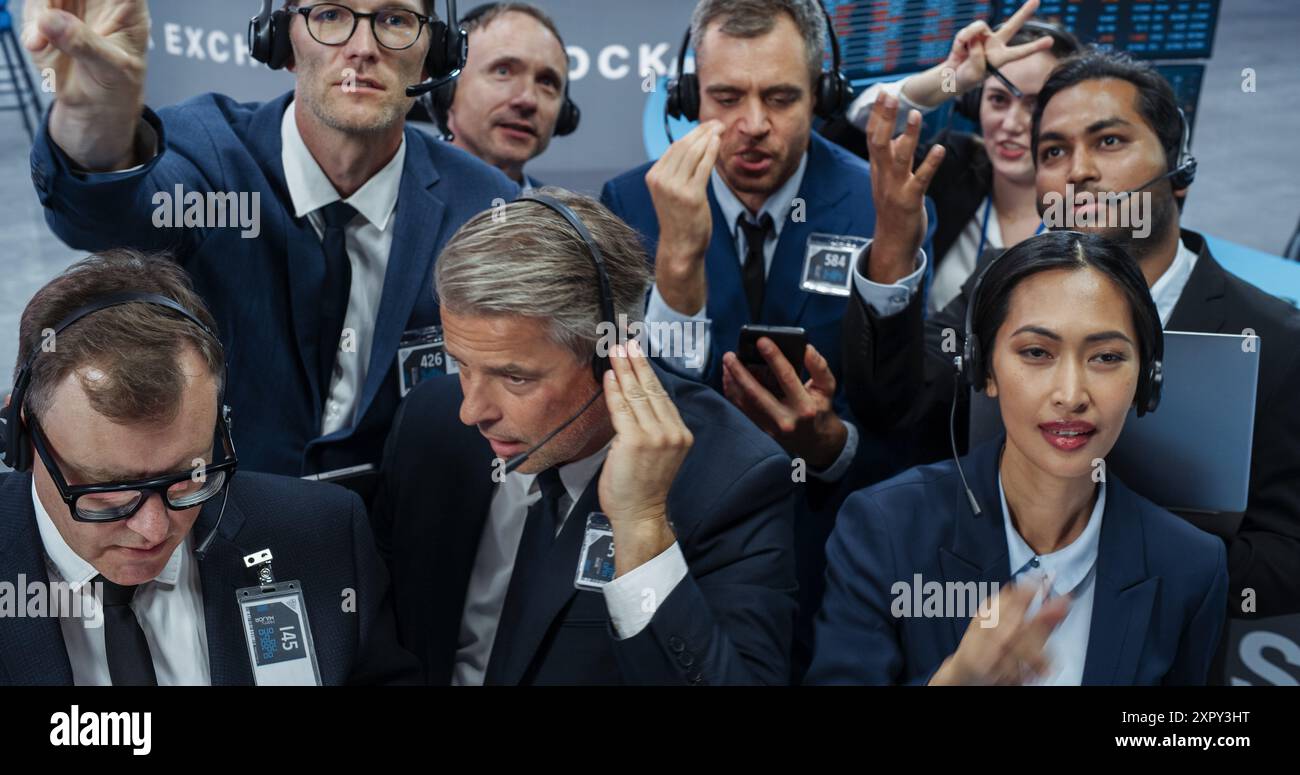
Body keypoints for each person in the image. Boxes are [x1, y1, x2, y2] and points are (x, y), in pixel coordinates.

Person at [843, 49, 1300, 622]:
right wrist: (893, 246)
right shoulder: (997, 287)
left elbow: (1287, 554)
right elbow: (899, 402)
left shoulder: (1277, 340)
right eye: (1054, 152)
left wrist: (1116, 566)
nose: (1077, 170)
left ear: (1179, 173)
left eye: (1108, 141)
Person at [23, 0, 518, 481]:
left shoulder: (481, 202)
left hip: (397, 531)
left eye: (395, 19)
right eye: (330, 14)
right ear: (280, 41)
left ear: (437, 50)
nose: (362, 47)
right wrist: (94, 118)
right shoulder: (208, 150)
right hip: (221, 522)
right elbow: (103, 216)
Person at [600, 0, 938, 678]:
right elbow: (628, 413)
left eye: (781, 98)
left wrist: (833, 449)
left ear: (821, 94)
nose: (753, 126)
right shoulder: (629, 204)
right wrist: (676, 267)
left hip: (838, 565)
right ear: (689, 95)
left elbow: (902, 415)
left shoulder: (883, 198)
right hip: (692, 557)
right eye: (726, 97)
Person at [371, 190, 797, 685]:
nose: (472, 411)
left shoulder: (734, 480)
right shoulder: (429, 425)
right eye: (463, 366)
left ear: (612, 355)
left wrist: (642, 528)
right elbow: (384, 645)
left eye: (515, 378)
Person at [809, 231, 1229, 685]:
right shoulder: (884, 529)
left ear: (1146, 381)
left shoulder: (1192, 567)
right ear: (984, 370)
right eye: (1036, 352)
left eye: (1106, 357)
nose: (1070, 396)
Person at [0, 251, 418, 686]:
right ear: (23, 439)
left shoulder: (324, 537)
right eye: (109, 488)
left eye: (188, 475)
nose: (153, 529)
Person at [828, 0, 1081, 312]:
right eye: (999, 100)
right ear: (975, 104)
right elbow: (850, 135)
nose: (1011, 124)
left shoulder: (1096, 206)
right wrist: (951, 78)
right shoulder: (948, 167)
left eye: (1035, 104)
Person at [427, 2, 579, 189]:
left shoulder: (566, 216)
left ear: (564, 113)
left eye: (546, 82)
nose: (527, 100)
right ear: (447, 88)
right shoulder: (395, 191)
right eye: (503, 71)